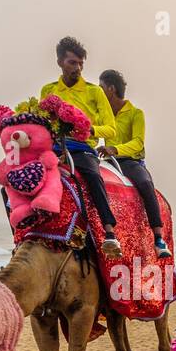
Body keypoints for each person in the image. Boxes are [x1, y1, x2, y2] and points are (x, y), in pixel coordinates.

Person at [42, 37, 122, 258]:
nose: (77, 68)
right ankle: (24, 233)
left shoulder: (94, 92)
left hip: (83, 148)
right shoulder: (48, 91)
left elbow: (111, 129)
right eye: (72, 62)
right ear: (60, 62)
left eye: (80, 63)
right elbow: (42, 123)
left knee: (93, 176)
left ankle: (109, 231)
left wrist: (89, 130)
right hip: (55, 148)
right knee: (25, 176)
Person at [97, 69, 170, 258]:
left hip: (129, 161)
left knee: (145, 184)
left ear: (111, 89)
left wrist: (116, 149)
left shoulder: (136, 113)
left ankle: (158, 238)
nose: (99, 91)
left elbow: (138, 142)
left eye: (101, 87)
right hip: (108, 162)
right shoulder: (103, 115)